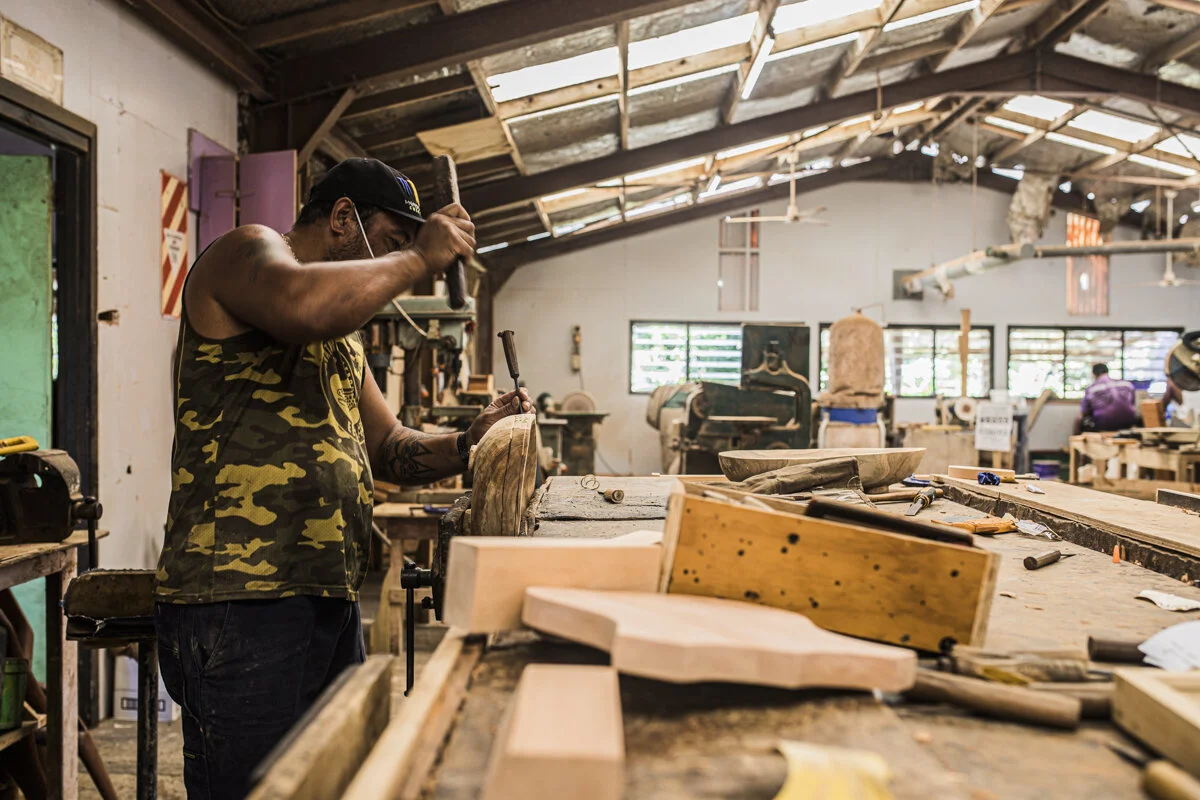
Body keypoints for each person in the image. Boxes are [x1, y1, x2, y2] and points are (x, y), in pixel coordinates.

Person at [154, 158, 531, 799]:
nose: (394, 262)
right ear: (341, 217)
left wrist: (473, 442)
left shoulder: (343, 339)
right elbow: (302, 305)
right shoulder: (246, 253)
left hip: (327, 595)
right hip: (239, 600)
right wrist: (421, 256)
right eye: (390, 240)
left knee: (332, 782)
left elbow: (388, 448)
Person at [1077, 363, 1137, 432]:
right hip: (1128, 422)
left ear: (1094, 374)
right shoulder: (1127, 384)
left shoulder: (1091, 389)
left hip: (1104, 424)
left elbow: (1085, 411)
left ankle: (1077, 438)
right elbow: (1132, 403)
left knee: (1079, 420)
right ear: (1107, 371)